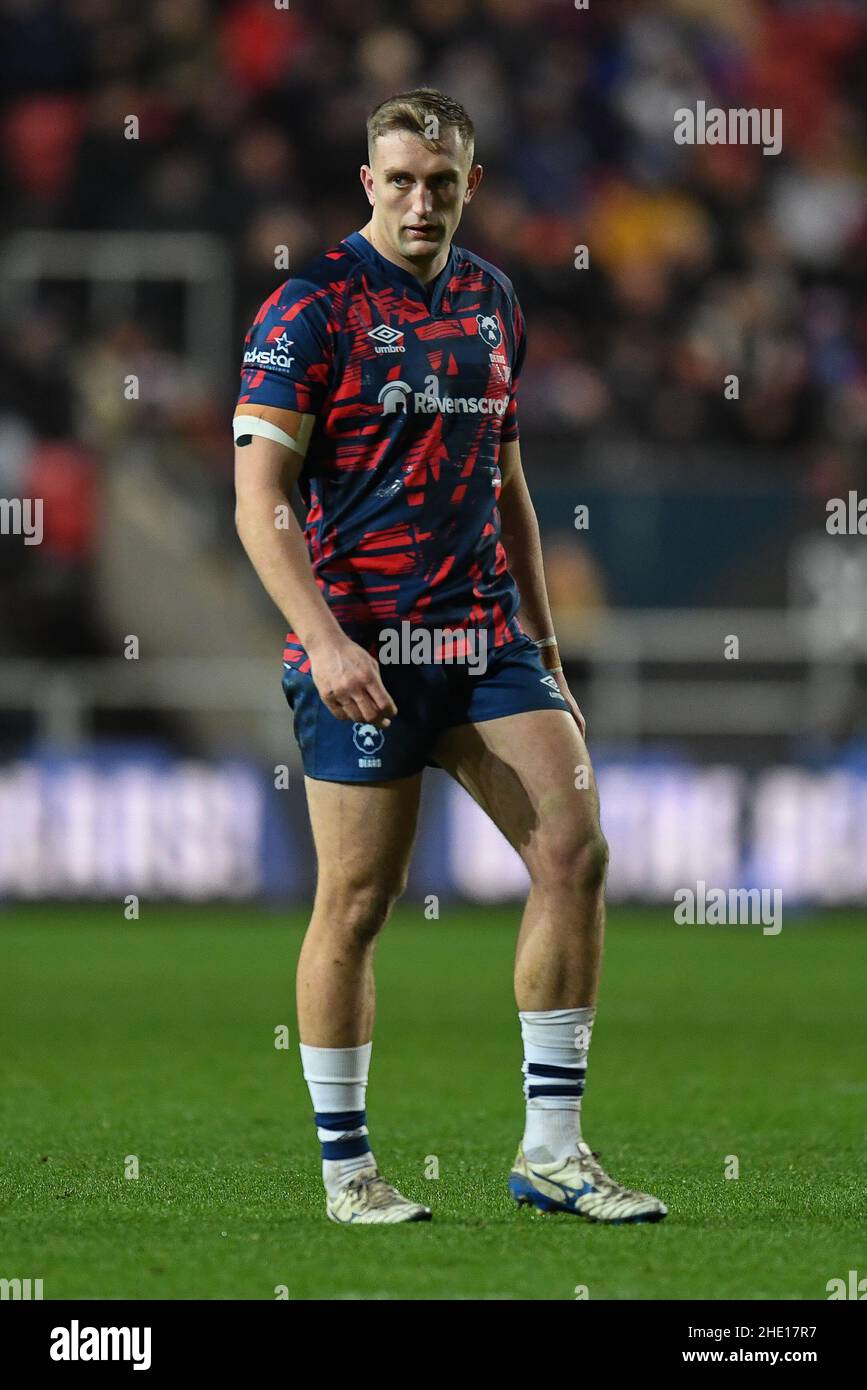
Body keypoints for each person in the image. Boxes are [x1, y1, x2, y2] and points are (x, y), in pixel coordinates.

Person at [233, 88, 666, 1226]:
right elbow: (257, 497)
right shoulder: (309, 308)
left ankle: (554, 1153)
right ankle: (345, 1172)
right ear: (366, 184)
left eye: (442, 180)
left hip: (483, 638)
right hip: (363, 647)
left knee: (576, 849)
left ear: (471, 185)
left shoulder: (492, 302)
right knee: (359, 902)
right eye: (400, 178)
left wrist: (546, 640)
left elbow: (509, 484)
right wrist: (323, 639)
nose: (421, 199)